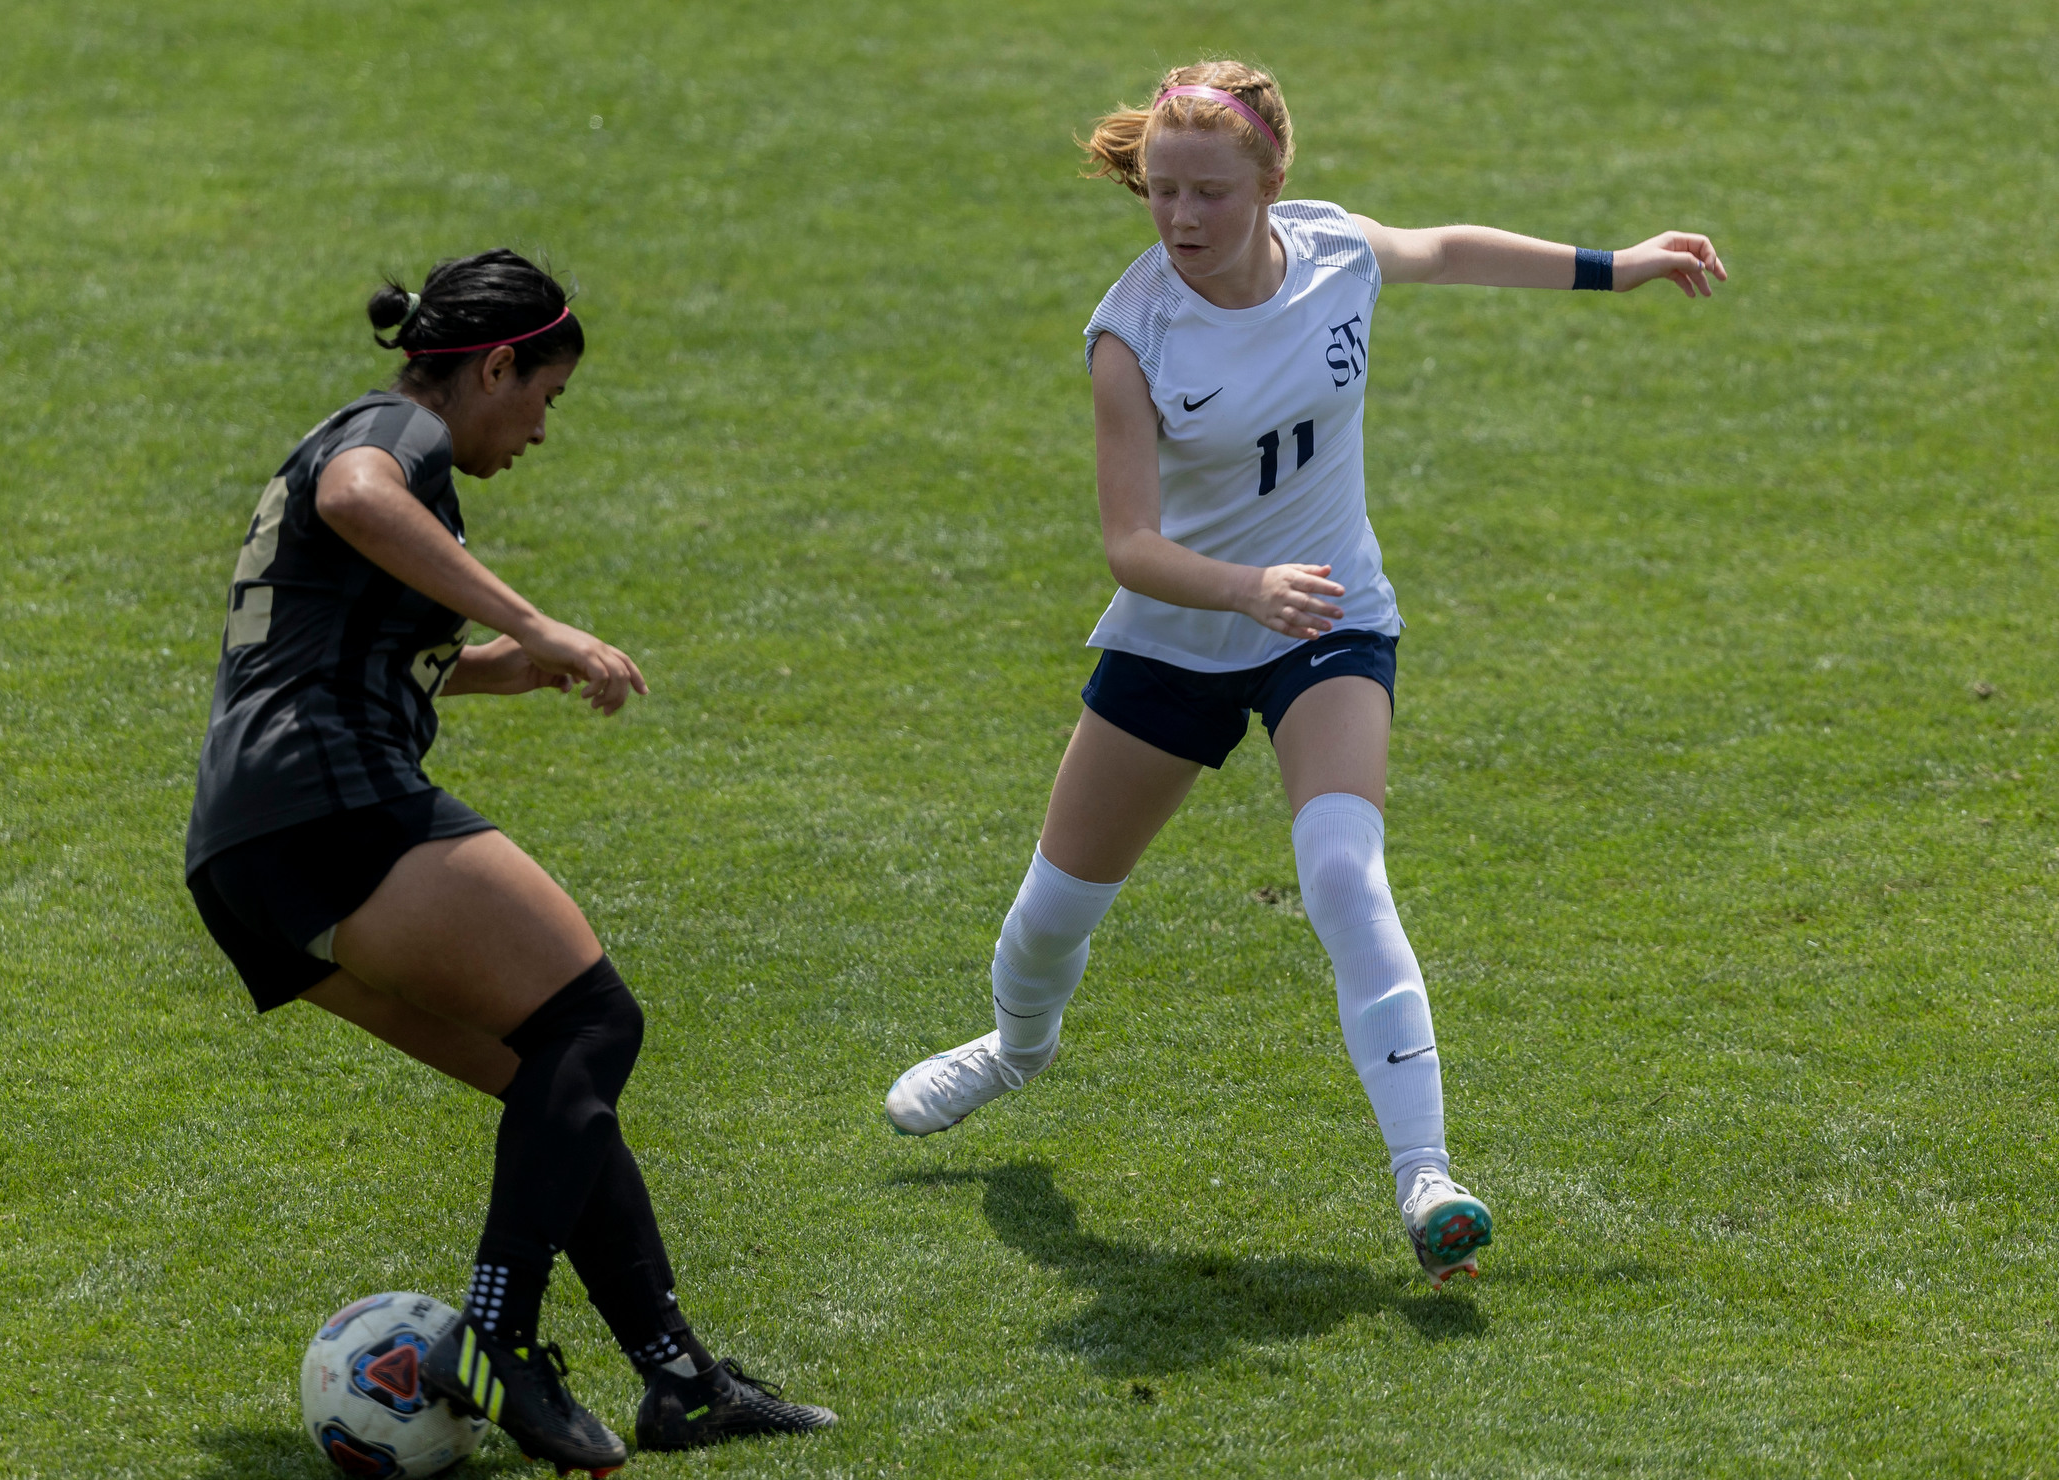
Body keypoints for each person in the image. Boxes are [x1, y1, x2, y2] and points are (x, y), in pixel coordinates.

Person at [884, 63, 1725, 1288]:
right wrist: (1242, 588)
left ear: (1272, 181)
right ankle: (1017, 1048)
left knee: (1341, 872)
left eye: (1208, 192)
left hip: (1328, 623)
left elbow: (1443, 247)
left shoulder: (1335, 250)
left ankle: (1425, 1177)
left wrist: (1620, 262)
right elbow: (1130, 546)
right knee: (1050, 915)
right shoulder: (1130, 339)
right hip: (1179, 634)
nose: (1179, 217)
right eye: (1162, 190)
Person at [184, 249, 834, 1473]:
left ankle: (679, 1378)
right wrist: (532, 622)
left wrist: (493, 667)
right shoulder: (396, 435)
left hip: (246, 857)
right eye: (543, 395)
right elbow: (356, 501)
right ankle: (496, 1335)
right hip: (327, 806)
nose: (540, 428)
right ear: (493, 365)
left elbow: (344, 641)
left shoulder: (372, 437)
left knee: (553, 1087)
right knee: (593, 1021)